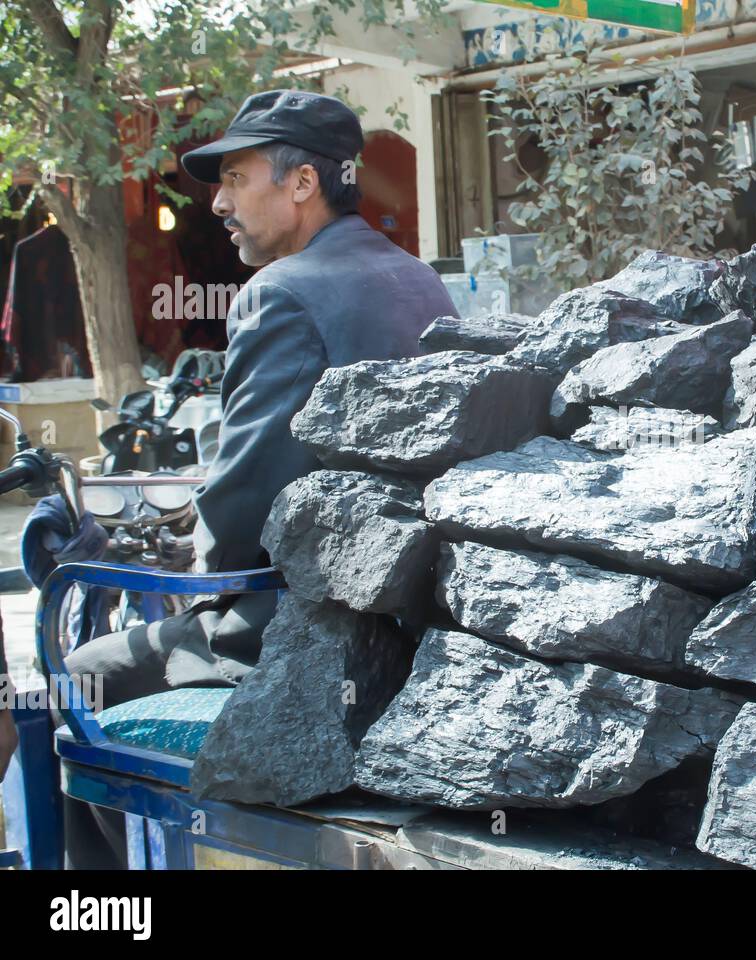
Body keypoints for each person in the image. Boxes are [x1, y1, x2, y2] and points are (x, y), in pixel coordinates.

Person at [50, 89, 457, 867]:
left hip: (295, 625)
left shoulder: (282, 292)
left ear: (302, 183)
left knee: (75, 679)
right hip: (409, 608)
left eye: (236, 178)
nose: (220, 203)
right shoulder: (419, 280)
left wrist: (195, 579)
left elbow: (242, 509)